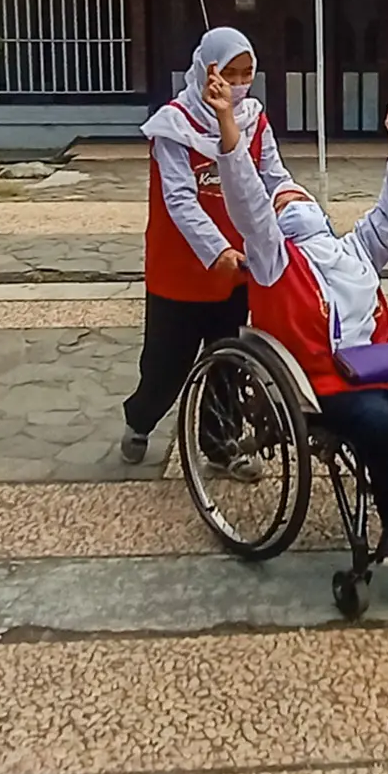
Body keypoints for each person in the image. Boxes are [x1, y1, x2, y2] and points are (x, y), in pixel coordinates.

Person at [207, 78, 388, 569]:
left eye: (300, 199)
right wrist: (229, 126)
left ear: (321, 213)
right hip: (327, 373)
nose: (291, 202)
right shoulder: (277, 259)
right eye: (282, 204)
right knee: (382, 425)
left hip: (384, 358)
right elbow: (247, 201)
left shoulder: (353, 247)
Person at [121, 28, 298, 466]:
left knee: (230, 359)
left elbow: (273, 175)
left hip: (238, 267)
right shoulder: (173, 124)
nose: (238, 84)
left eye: (247, 73)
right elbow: (179, 198)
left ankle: (220, 446)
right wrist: (215, 251)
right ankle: (140, 419)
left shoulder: (254, 119)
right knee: (166, 367)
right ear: (205, 70)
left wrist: (294, 204)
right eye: (229, 73)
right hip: (180, 269)